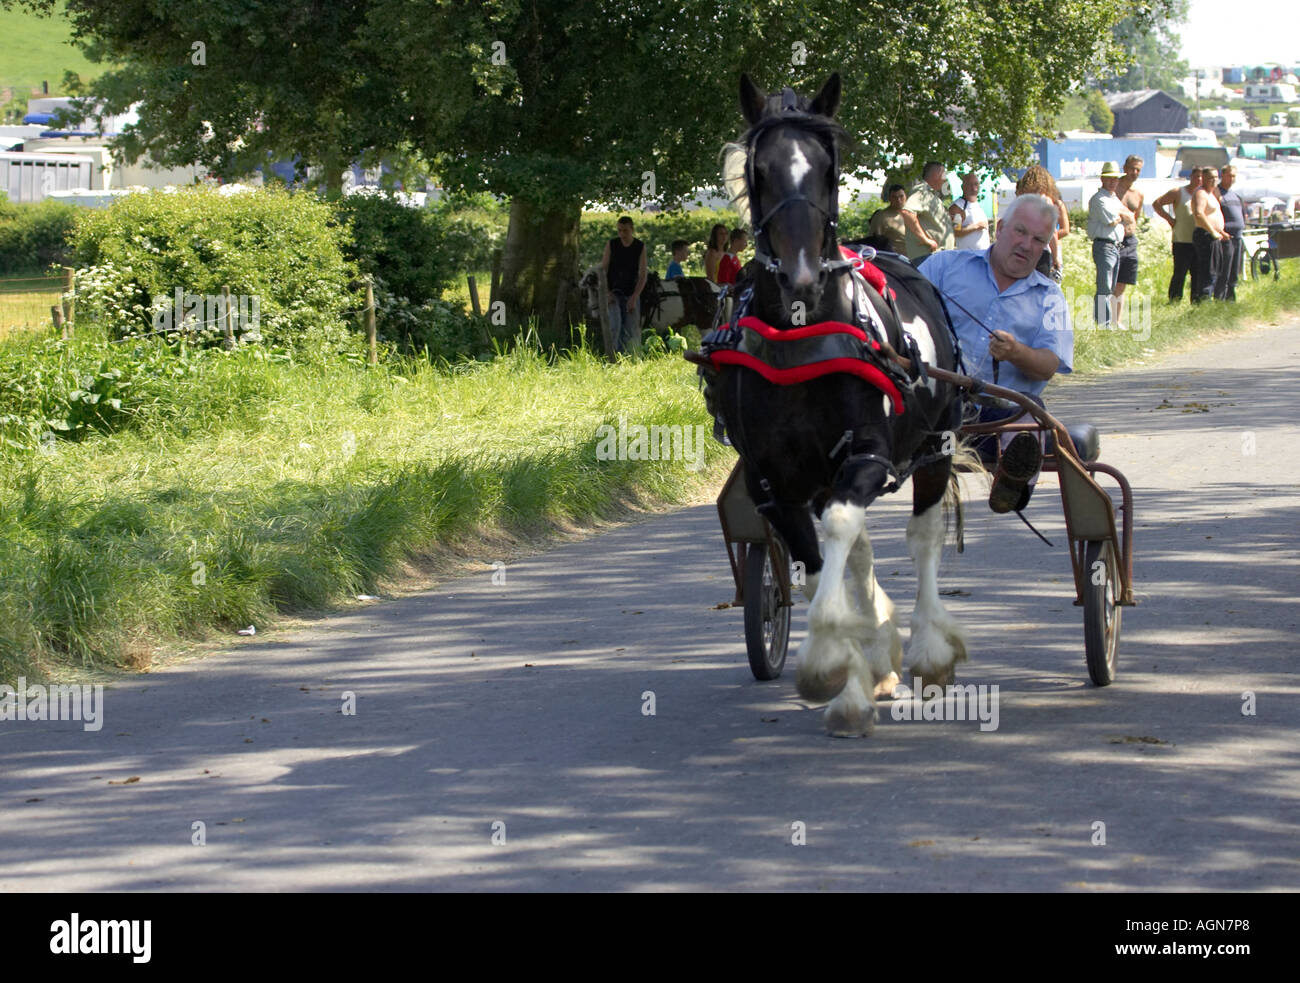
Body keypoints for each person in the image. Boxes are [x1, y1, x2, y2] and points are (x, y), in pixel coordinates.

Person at [918, 193, 1072, 513]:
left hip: (994, 421)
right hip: (929, 409)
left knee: (1031, 415)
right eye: (1019, 232)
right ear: (1000, 228)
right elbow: (897, 308)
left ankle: (1012, 482)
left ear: (1045, 246)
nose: (1027, 244)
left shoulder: (1051, 298)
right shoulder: (943, 266)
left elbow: (1047, 366)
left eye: (1038, 239)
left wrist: (1016, 352)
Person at [1087, 162, 1133, 326]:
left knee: (1111, 286)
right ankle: (1103, 323)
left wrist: (1121, 215)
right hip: (1104, 245)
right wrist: (1122, 216)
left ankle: (1106, 322)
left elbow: (1130, 216)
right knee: (1104, 286)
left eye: (1115, 178)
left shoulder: (1113, 199)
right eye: (1110, 178)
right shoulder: (1099, 199)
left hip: (1114, 245)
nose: (1113, 181)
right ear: (1102, 179)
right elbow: (1112, 220)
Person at [1152, 168, 1202, 301]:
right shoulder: (1179, 192)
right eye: (1196, 176)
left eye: (1202, 177)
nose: (1199, 180)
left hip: (1198, 240)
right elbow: (1157, 204)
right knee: (1180, 272)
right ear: (1191, 176)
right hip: (1181, 239)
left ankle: (1196, 301)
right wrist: (1170, 219)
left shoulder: (1203, 194)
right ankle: (1174, 299)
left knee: (1197, 273)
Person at [600, 216, 647, 353]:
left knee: (631, 328)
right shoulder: (612, 244)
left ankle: (629, 356)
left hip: (631, 292)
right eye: (619, 231)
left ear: (631, 229)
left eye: (625, 231)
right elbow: (603, 269)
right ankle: (613, 355)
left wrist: (634, 297)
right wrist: (607, 292)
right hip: (613, 291)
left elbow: (643, 274)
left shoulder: (639, 247)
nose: (622, 234)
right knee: (615, 325)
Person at [1014, 165, 1069, 281]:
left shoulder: (1022, 200)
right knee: (1039, 292)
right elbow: (1052, 233)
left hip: (1021, 250)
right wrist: (1055, 259)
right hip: (1040, 252)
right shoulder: (1046, 202)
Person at [903, 161, 954, 264]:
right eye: (943, 174)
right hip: (927, 256)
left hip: (934, 255)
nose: (945, 179)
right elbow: (907, 212)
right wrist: (925, 239)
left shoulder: (931, 194)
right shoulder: (922, 191)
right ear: (936, 175)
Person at [1113, 155, 1144, 327]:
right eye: (1132, 168)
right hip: (1113, 240)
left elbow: (1135, 217)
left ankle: (1117, 320)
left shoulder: (1138, 194)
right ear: (1124, 167)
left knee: (1123, 282)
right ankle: (1106, 319)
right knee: (1110, 280)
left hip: (1130, 241)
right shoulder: (1113, 187)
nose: (1134, 172)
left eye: (1138, 169)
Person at [1191, 167, 1230, 303]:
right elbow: (1199, 213)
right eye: (1210, 178)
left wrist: (1221, 232)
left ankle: (1207, 300)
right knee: (1208, 271)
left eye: (1215, 177)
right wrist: (1213, 232)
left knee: (1214, 270)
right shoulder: (1201, 193)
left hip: (1214, 235)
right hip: (1205, 235)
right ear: (1204, 179)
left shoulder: (1211, 194)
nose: (1214, 180)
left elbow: (1212, 215)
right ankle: (1203, 301)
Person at [1215, 165, 1246, 301]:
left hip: (1237, 237)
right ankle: (1220, 297)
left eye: (1234, 176)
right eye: (1229, 175)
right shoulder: (1217, 193)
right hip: (1225, 237)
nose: (1232, 179)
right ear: (1222, 175)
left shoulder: (1235, 195)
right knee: (1224, 269)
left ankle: (1231, 298)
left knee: (1234, 269)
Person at [950, 172, 990, 251]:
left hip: (983, 255)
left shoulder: (977, 205)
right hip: (968, 257)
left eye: (976, 184)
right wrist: (975, 226)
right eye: (970, 184)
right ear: (963, 187)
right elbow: (956, 232)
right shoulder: (958, 207)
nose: (974, 188)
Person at [867, 183, 910, 254]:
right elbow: (874, 241)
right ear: (889, 198)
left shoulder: (913, 214)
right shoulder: (881, 216)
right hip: (895, 259)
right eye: (894, 197)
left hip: (915, 257)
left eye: (901, 196)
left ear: (906, 196)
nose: (898, 200)